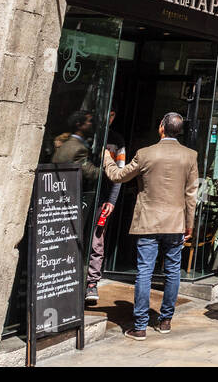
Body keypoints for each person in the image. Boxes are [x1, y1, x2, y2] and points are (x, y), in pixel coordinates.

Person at [102, 112, 199, 340]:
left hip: (148, 221)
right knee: (173, 270)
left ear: (161, 127)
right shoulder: (190, 156)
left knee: (145, 271)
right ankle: (165, 321)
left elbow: (118, 176)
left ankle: (140, 326)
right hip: (175, 222)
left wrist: (107, 158)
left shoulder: (145, 154)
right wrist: (190, 224)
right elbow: (191, 194)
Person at [85, 110, 124, 306]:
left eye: (110, 114)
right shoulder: (87, 134)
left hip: (103, 198)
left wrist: (112, 200)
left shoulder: (117, 141)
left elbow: (120, 172)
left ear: (113, 116)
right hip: (81, 194)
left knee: (96, 241)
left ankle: (91, 283)